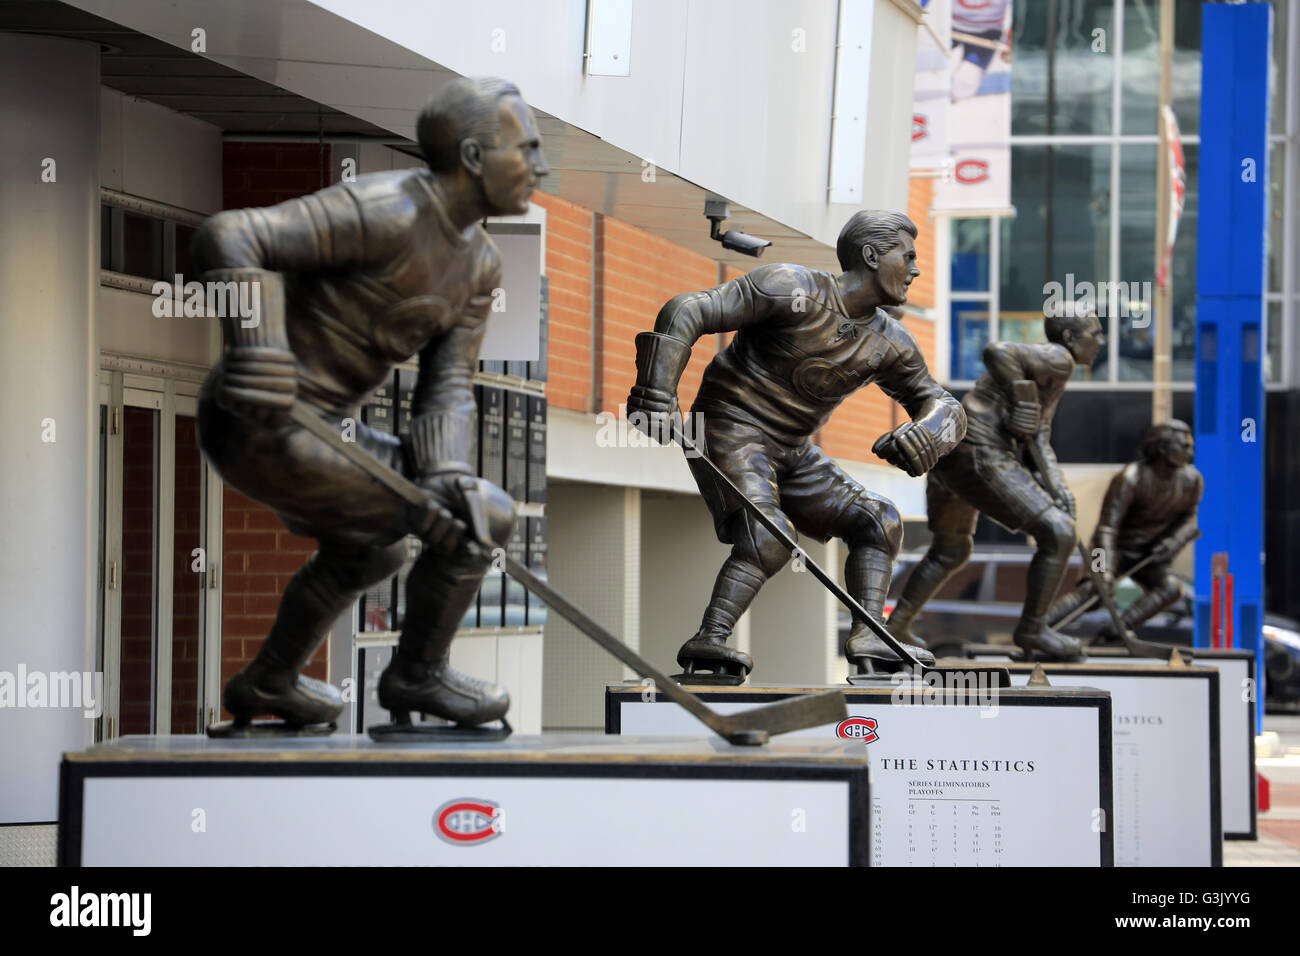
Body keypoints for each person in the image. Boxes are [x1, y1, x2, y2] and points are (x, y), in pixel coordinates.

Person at [193, 77, 549, 730]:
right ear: (473, 157)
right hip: (260, 419)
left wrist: (443, 476)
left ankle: (269, 681)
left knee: (385, 543)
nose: (541, 166)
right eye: (525, 148)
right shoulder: (387, 210)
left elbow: (446, 387)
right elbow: (231, 234)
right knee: (490, 516)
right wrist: (258, 346)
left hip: (325, 430)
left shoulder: (482, 265)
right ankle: (417, 675)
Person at [628, 211, 966, 679]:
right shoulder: (789, 286)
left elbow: (942, 402)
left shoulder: (892, 341)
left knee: (880, 520)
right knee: (768, 535)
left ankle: (868, 631)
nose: (915, 270)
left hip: (792, 448)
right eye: (906, 256)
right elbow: (689, 309)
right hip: (730, 425)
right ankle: (710, 639)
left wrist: (928, 431)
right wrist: (657, 393)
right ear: (871, 255)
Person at [886, 307, 1106, 661]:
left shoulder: (1054, 368)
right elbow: (997, 351)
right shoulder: (1059, 358)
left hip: (953, 451)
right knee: (1060, 533)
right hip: (980, 451)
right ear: (1069, 338)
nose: (1100, 342)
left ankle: (895, 626)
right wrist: (1021, 399)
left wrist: (1057, 487)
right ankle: (1033, 630)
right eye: (1094, 334)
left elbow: (1038, 435)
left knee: (951, 549)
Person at [1047, 420, 1201, 637]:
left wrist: (1173, 543)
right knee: (1095, 590)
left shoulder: (1192, 481)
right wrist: (1105, 570)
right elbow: (1106, 529)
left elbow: (1188, 520)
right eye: (1183, 446)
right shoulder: (1131, 478)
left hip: (1147, 554)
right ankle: (1040, 628)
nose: (1190, 450)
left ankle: (1115, 631)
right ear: (1162, 448)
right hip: (1106, 548)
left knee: (1172, 588)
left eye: (1190, 446)